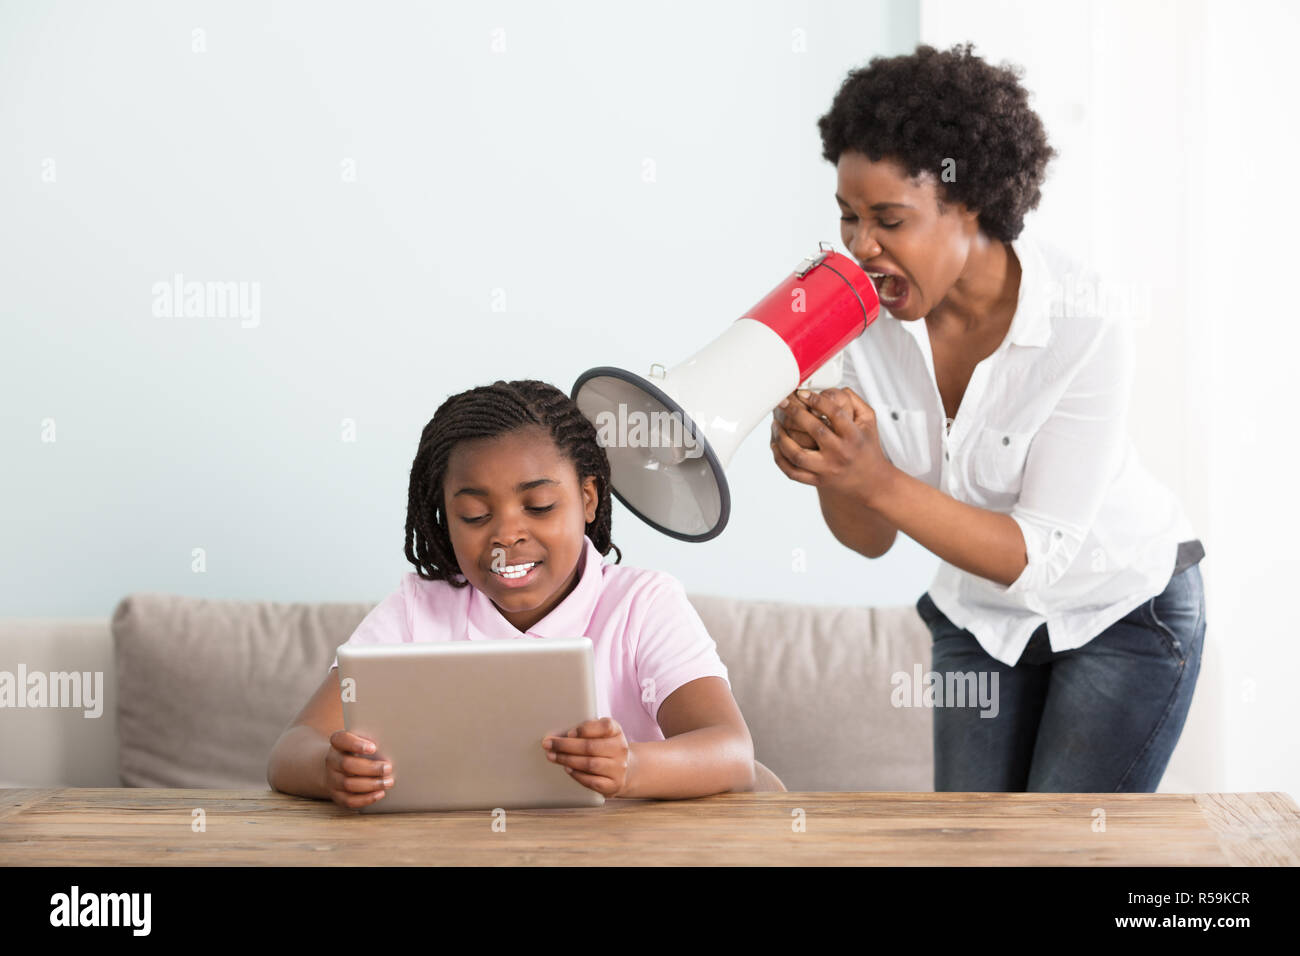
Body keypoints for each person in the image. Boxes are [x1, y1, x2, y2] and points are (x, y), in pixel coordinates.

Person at [770, 43, 1205, 792]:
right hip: (978, 617)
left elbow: (1035, 558)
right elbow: (868, 539)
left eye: (889, 220)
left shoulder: (1083, 319)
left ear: (967, 203)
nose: (860, 248)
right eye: (847, 216)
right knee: (969, 845)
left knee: (1062, 850)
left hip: (1120, 611)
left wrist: (872, 476)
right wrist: (832, 469)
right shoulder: (854, 318)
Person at [268, 379, 784, 808]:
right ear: (444, 518)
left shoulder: (642, 605)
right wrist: (329, 769)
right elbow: (291, 749)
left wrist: (631, 767)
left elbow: (732, 752)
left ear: (587, 499)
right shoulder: (415, 610)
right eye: (474, 515)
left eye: (537, 506)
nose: (505, 535)